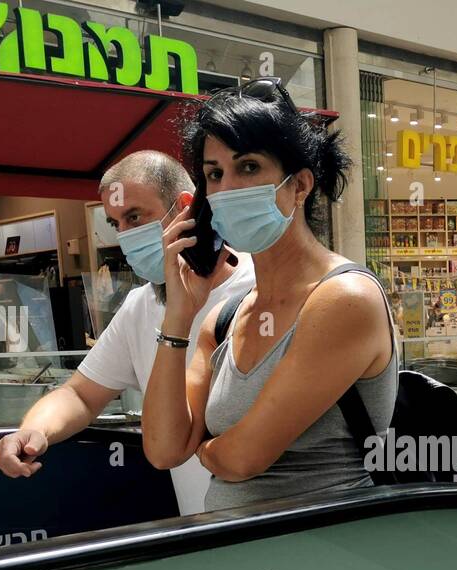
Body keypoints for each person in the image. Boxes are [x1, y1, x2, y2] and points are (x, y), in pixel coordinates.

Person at [141, 77, 396, 512]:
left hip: (327, 554)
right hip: (234, 554)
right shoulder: (223, 319)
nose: (226, 189)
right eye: (214, 174)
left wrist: (207, 450)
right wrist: (178, 319)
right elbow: (164, 450)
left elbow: (243, 458)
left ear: (299, 185)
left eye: (249, 167)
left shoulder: (345, 299)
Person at [0, 150, 255, 515]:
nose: (125, 236)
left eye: (135, 217)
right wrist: (35, 431)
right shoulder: (141, 304)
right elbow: (82, 395)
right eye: (116, 223)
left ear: (184, 207)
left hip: (274, 526)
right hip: (202, 530)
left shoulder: (259, 289)